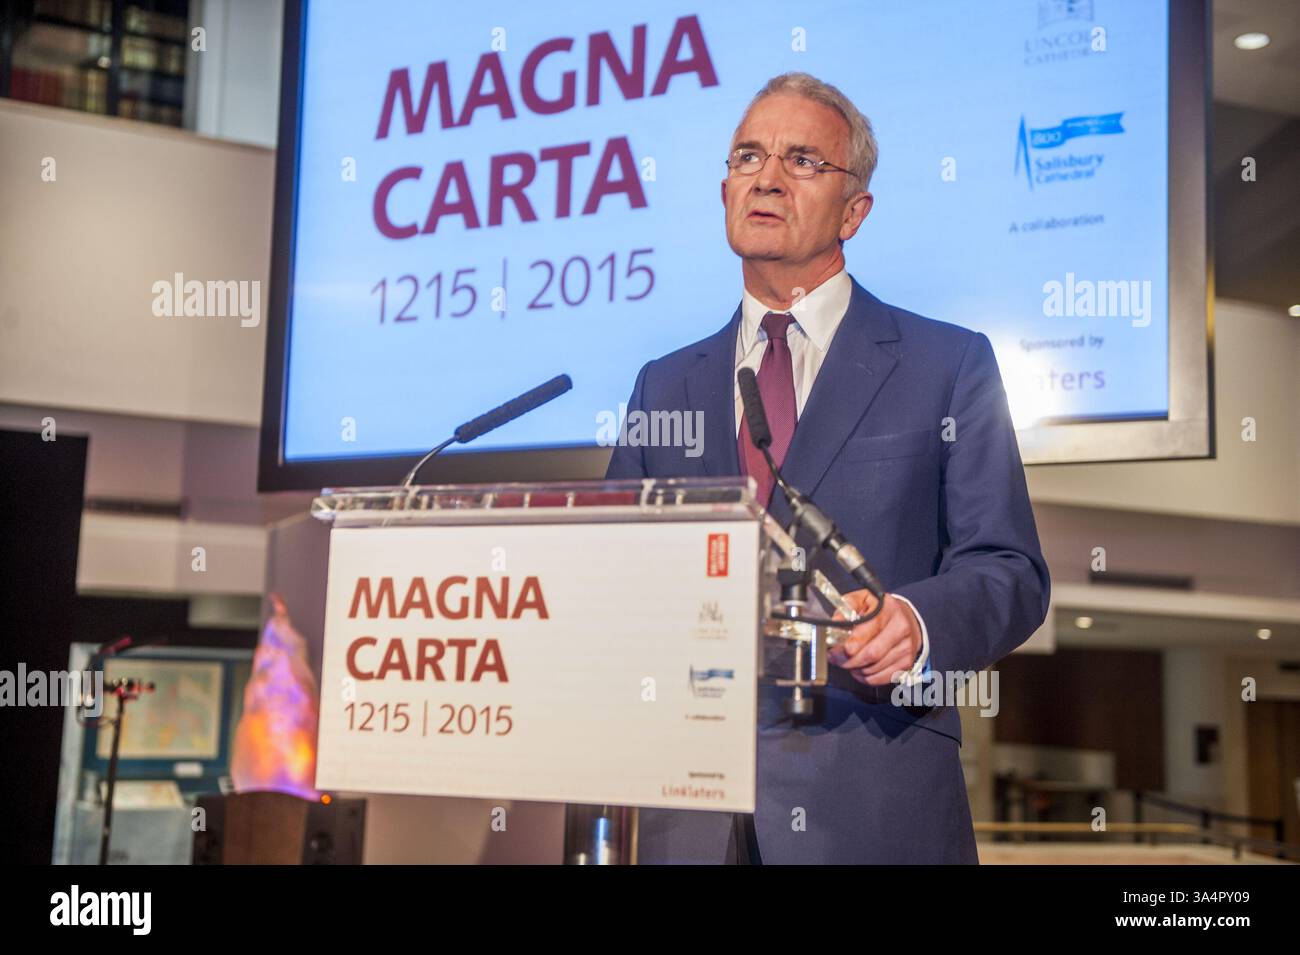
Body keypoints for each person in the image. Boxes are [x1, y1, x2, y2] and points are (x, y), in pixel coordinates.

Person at [605, 72, 1050, 864]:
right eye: (748, 156)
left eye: (803, 160)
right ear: (724, 190)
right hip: (686, 816)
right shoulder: (662, 382)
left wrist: (914, 623)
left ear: (855, 210)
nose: (767, 177)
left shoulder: (946, 364)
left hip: (871, 809)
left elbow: (1009, 568)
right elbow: (610, 574)